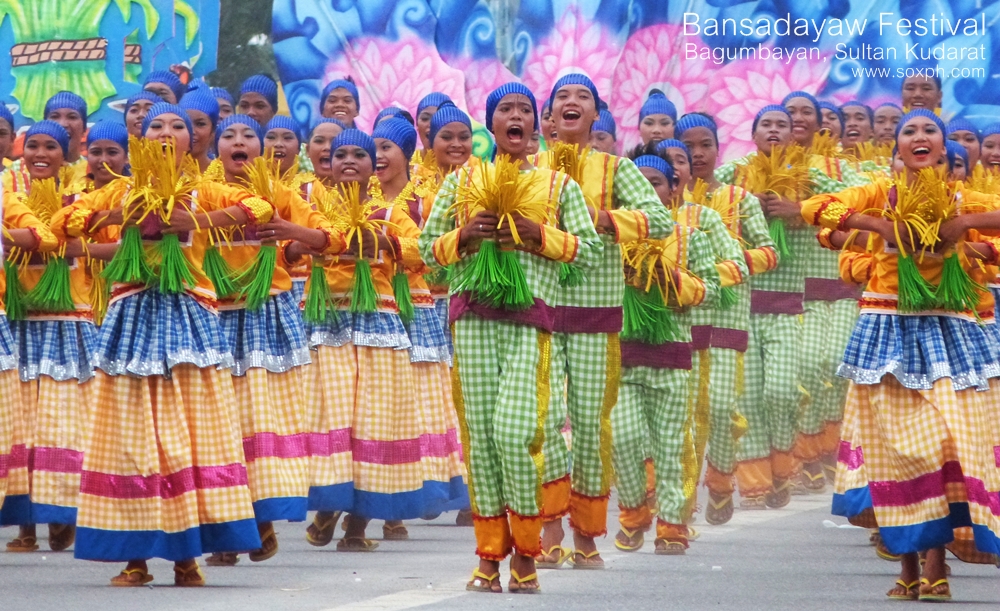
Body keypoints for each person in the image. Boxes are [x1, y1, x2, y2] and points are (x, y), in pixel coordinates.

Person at [52, 102, 269, 586]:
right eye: (156, 126)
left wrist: (198, 222)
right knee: (132, 437)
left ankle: (187, 556)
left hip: (189, 319)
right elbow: (66, 224)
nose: (167, 132)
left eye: (178, 125)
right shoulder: (120, 189)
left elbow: (260, 208)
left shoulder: (204, 191)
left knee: (187, 434)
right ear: (139, 140)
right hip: (132, 321)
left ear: (194, 141)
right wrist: (119, 214)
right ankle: (136, 558)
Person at [800, 108, 1000, 602]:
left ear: (944, 149)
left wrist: (965, 227)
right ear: (898, 150)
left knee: (945, 445)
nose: (920, 136)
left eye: (929, 130)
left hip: (952, 334)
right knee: (898, 451)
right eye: (909, 131)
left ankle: (935, 565)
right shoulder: (879, 194)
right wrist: (880, 226)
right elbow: (815, 208)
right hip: (888, 334)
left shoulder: (962, 201)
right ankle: (910, 566)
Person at [419, 82, 602, 594]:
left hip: (529, 328)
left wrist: (538, 235)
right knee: (480, 441)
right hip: (472, 323)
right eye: (506, 108)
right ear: (492, 123)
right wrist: (465, 236)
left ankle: (526, 550)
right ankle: (489, 559)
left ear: (536, 124)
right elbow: (425, 251)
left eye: (525, 108)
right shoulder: (462, 182)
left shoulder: (557, 186)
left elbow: (589, 252)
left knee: (514, 433)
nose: (516, 115)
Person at [532, 74, 673, 571]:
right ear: (549, 117)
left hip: (596, 315)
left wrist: (604, 219)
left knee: (591, 425)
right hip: (540, 311)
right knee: (545, 419)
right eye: (562, 97)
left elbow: (661, 220)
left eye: (583, 97)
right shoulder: (531, 168)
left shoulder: (616, 169)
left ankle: (587, 534)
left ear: (596, 116)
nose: (572, 103)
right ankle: (549, 527)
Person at [202, 114, 346, 566]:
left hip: (265, 315)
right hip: (211, 315)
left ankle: (259, 516)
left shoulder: (279, 194)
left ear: (260, 148)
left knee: (257, 418)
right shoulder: (199, 193)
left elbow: (333, 238)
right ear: (216, 147)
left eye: (249, 135)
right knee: (217, 422)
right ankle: (229, 526)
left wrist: (292, 234)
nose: (239, 141)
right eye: (229, 135)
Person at [612, 152, 720, 554]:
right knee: (622, 439)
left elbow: (712, 291)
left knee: (672, 446)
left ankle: (673, 525)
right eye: (633, 186)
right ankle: (634, 513)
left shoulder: (691, 239)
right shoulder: (610, 238)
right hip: (620, 358)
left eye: (654, 184)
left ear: (673, 190)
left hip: (673, 358)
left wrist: (670, 278)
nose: (643, 193)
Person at [676, 113, 779, 524]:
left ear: (719, 150)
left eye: (706, 145)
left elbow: (769, 252)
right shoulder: (664, 200)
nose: (698, 154)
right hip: (681, 320)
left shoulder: (740, 200)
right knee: (684, 414)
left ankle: (720, 482)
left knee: (720, 408)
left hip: (728, 318)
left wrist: (721, 267)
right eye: (688, 146)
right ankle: (682, 499)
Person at [371, 117, 468, 533]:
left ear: (407, 154)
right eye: (373, 148)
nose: (377, 156)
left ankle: (429, 489)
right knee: (385, 403)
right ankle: (392, 504)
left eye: (386, 148)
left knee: (423, 401)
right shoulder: (360, 199)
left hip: (417, 304)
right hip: (376, 308)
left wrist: (392, 247)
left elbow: (434, 251)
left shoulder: (427, 201)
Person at [1, 121, 90, 553]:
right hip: (21, 315)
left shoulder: (82, 193)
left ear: (66, 151)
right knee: (24, 422)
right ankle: (26, 523)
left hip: (67, 317)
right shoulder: (10, 191)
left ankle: (61, 511)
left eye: (50, 146)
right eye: (32, 145)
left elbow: (63, 238)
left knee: (62, 421)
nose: (40, 153)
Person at [43, 92, 88, 166]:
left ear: (84, 128)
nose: (62, 124)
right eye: (55, 117)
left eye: (72, 117)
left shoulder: (95, 171)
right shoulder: (25, 170)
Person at [179, 92, 220, 173]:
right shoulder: (162, 174)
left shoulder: (224, 175)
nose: (192, 131)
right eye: (186, 123)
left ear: (213, 131)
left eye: (200, 124)